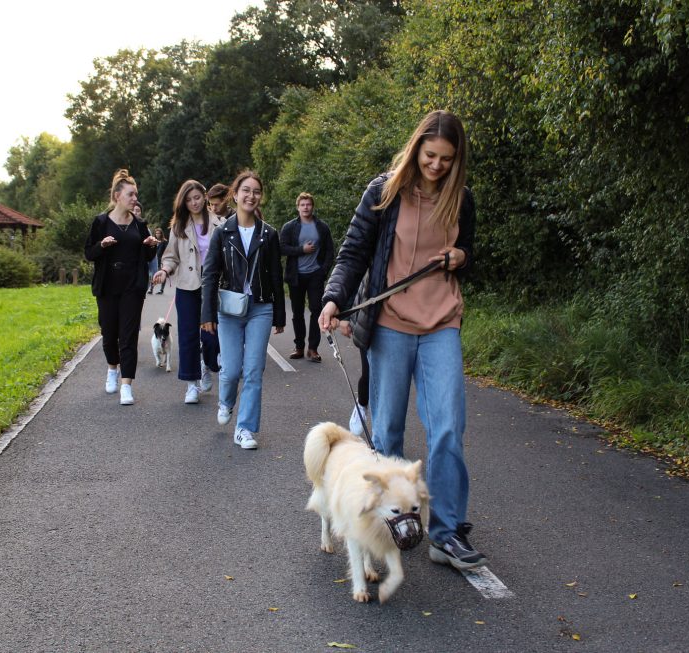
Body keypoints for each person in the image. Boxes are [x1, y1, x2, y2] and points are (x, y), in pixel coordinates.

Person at [318, 110, 486, 570]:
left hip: (441, 324)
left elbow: (470, 254)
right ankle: (381, 525)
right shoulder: (383, 191)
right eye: (430, 155)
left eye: (447, 159)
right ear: (416, 149)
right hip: (391, 323)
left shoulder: (461, 199)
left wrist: (461, 256)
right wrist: (334, 298)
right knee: (387, 431)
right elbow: (353, 252)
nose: (437, 166)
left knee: (448, 427)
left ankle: (446, 533)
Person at [201, 170, 285, 450]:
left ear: (260, 197)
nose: (251, 196)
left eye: (256, 191)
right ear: (235, 195)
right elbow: (210, 274)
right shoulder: (222, 232)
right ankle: (226, 401)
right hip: (229, 309)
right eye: (245, 191)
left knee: (254, 369)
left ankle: (245, 429)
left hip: (260, 308)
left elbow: (276, 274)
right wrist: (207, 315)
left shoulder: (269, 234)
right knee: (231, 369)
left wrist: (280, 314)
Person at [84, 169, 159, 406]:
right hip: (107, 286)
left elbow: (148, 256)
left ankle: (127, 385)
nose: (135, 198)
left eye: (136, 194)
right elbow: (89, 253)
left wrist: (150, 245)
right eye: (130, 194)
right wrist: (102, 245)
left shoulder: (140, 224)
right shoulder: (101, 222)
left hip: (132, 287)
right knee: (109, 335)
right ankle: (112, 369)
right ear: (117, 196)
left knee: (128, 337)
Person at [152, 180, 224, 404]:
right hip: (186, 285)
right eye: (189, 199)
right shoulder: (178, 227)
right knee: (188, 336)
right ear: (183, 201)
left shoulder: (219, 224)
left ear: (204, 197)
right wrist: (164, 270)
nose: (194, 202)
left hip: (212, 287)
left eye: (197, 198)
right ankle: (191, 385)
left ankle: (208, 364)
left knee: (212, 338)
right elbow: (171, 256)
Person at [279, 192, 334, 362]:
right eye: (302, 205)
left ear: (312, 206)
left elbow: (330, 251)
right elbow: (281, 248)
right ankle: (299, 347)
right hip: (296, 275)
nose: (305, 207)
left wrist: (323, 270)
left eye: (308, 204)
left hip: (315, 275)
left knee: (316, 310)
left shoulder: (322, 227)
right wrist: (301, 250)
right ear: (298, 207)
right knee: (297, 312)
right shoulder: (290, 227)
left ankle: (313, 349)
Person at [148, 226, 168, 294]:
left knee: (163, 273)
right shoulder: (154, 241)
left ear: (161, 234)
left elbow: (166, 251)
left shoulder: (164, 241)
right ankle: (151, 289)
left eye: (159, 233)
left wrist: (164, 260)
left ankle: (161, 289)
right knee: (153, 274)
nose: (157, 234)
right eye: (156, 233)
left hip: (161, 260)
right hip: (154, 259)